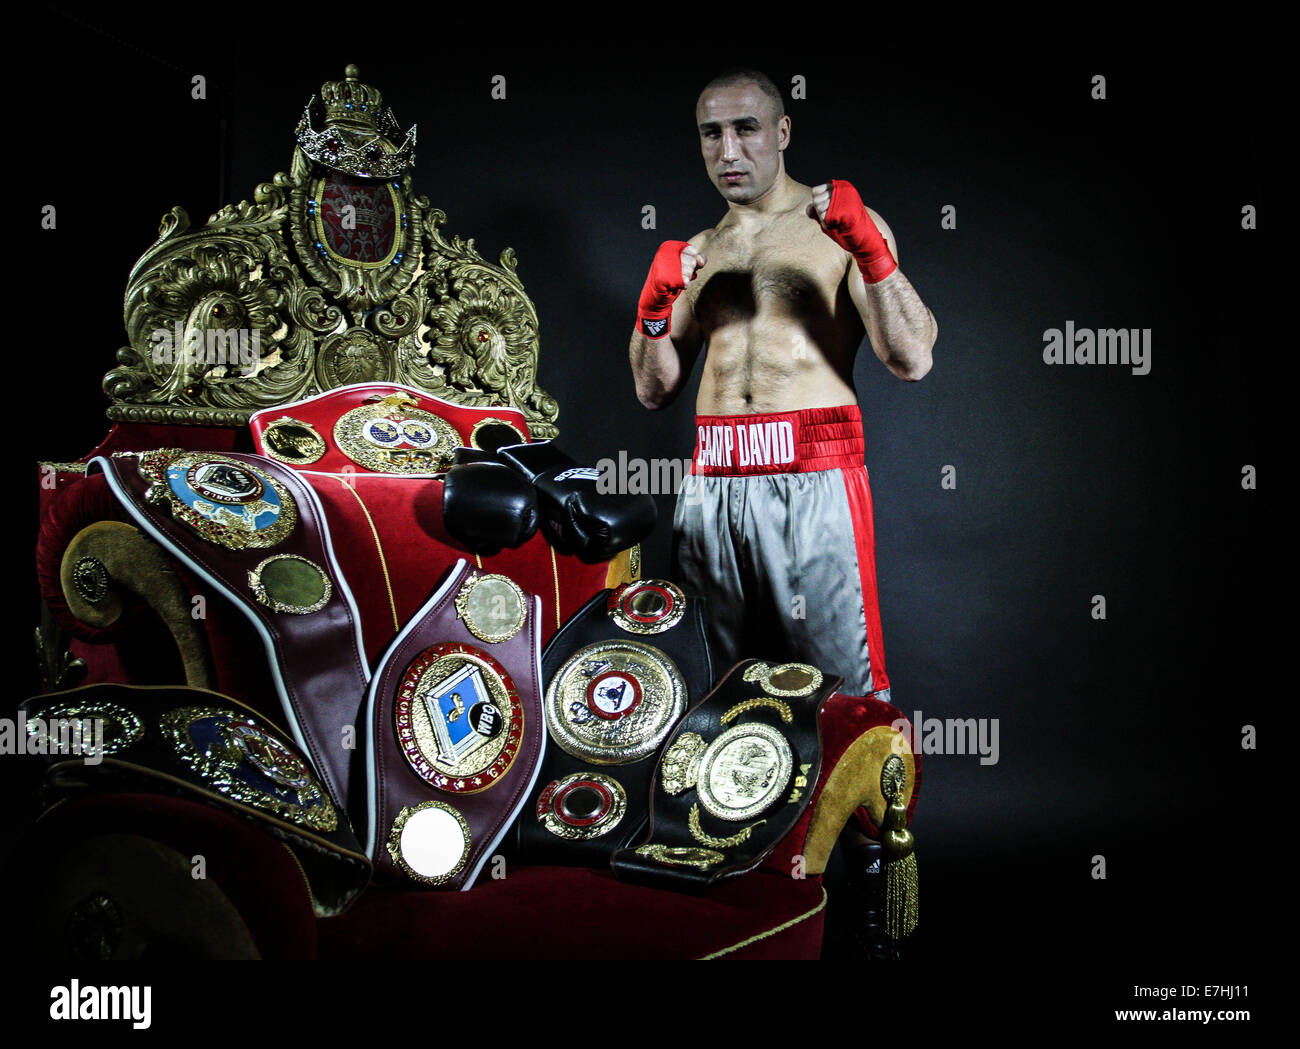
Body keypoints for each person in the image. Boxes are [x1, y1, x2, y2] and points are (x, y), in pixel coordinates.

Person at [628, 68, 937, 700]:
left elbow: (913, 358)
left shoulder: (838, 226)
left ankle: (850, 800)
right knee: (706, 682)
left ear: (783, 130)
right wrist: (652, 313)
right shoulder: (699, 249)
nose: (729, 150)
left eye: (746, 129)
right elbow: (653, 390)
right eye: (711, 134)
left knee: (835, 685)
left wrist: (873, 254)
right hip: (712, 482)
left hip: (811, 472)